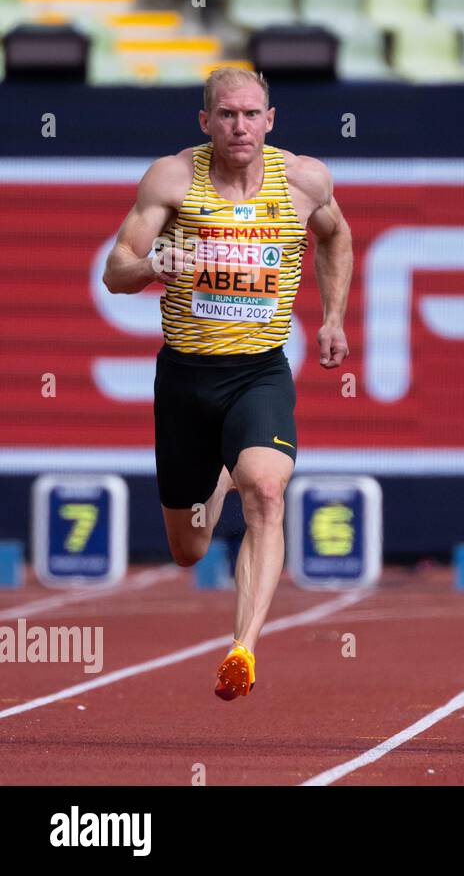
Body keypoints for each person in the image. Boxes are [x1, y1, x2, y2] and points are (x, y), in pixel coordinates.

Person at [102, 68, 353, 700]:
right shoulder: (172, 178)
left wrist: (332, 318)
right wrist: (158, 262)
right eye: (226, 115)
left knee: (267, 491)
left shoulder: (303, 180)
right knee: (188, 547)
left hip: (259, 371)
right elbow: (115, 271)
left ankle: (243, 647)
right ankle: (218, 470)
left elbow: (337, 237)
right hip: (186, 378)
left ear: (271, 120)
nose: (239, 126)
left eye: (250, 115)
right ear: (205, 122)